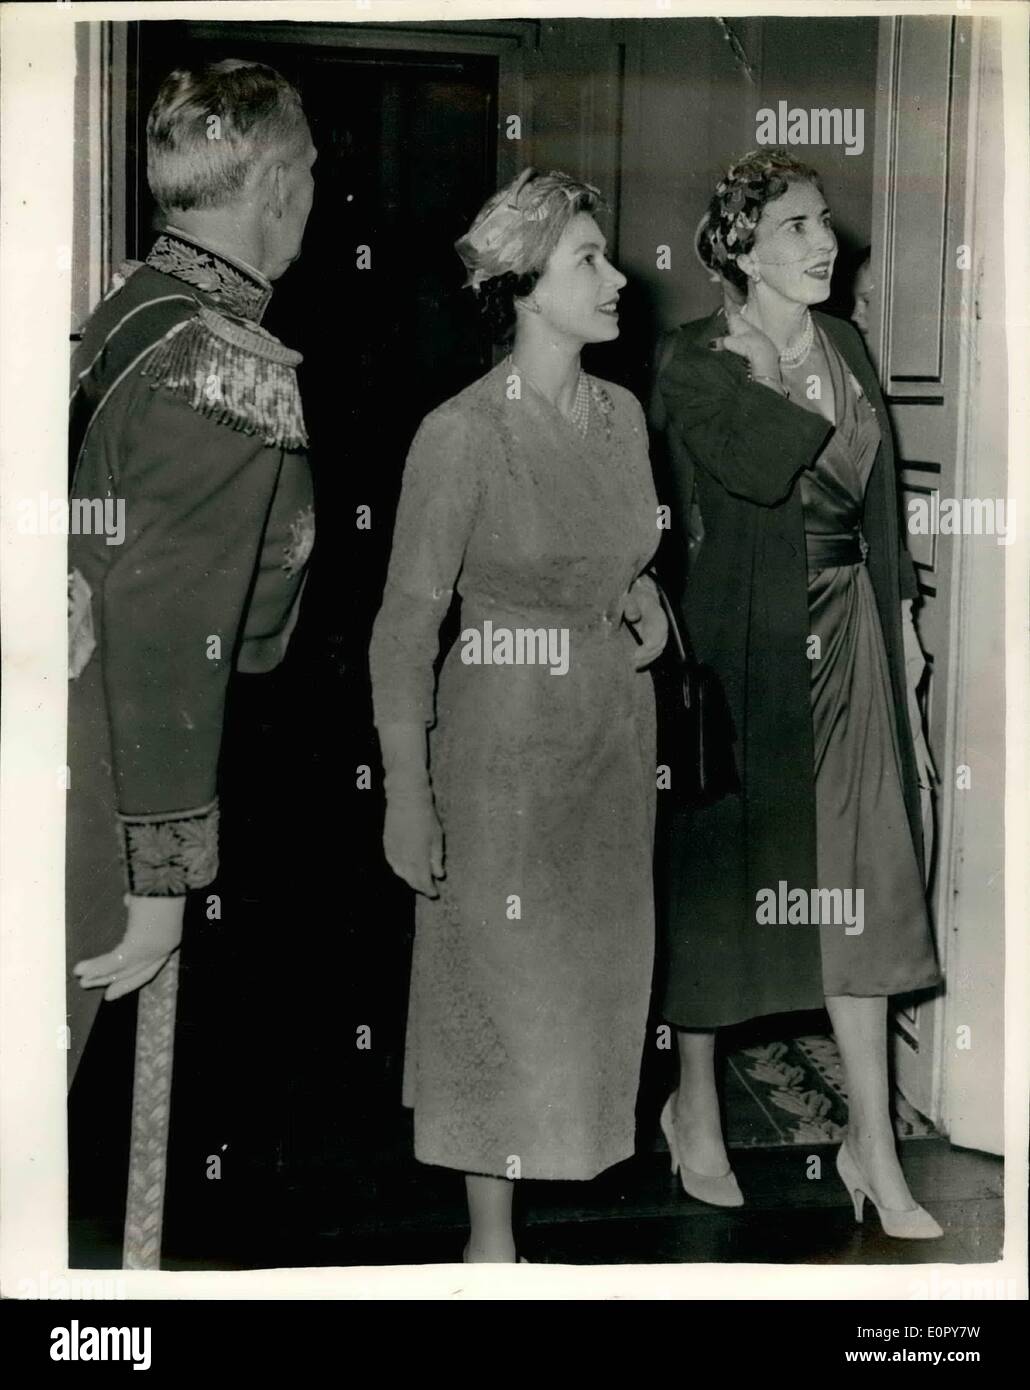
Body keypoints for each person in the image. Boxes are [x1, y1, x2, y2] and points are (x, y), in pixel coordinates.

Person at [369, 169, 667, 1263]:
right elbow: (403, 627)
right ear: (525, 289)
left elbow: (628, 559)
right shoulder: (458, 436)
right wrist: (408, 794)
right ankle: (489, 1248)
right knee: (491, 998)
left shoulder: (622, 417)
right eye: (586, 257)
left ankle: (542, 1214)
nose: (615, 273)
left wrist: (648, 610)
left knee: (587, 992)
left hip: (608, 739)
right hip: (497, 749)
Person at [656, 149, 943, 1238]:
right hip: (745, 650)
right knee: (723, 880)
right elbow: (764, 467)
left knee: (865, 875)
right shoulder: (694, 361)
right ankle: (694, 1105)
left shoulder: (850, 344)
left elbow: (878, 505)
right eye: (794, 228)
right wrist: (767, 369)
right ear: (737, 247)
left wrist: (903, 623)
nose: (825, 244)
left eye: (822, 223)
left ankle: (870, 1139)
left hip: (853, 637)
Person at [67, 60, 317, 1081]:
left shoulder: (135, 304)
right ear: (270, 187)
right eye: (306, 165)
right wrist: (161, 885)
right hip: (106, 760)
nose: (314, 188)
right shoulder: (221, 368)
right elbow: (172, 634)